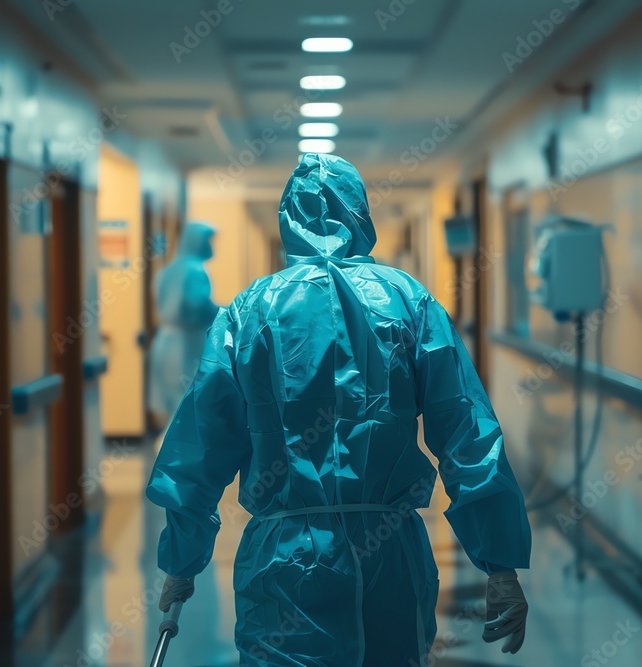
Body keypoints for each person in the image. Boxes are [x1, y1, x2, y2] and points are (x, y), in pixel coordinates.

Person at [146, 154, 531, 665]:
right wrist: (500, 564)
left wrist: (181, 561)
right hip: (389, 553)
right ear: (359, 215)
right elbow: (466, 428)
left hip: (285, 562)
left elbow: (202, 443)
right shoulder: (407, 301)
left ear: (288, 222)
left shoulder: (249, 311)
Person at [147, 221, 219, 427]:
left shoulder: (169, 270)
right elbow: (197, 307)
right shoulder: (195, 271)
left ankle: (169, 447)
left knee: (172, 401)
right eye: (208, 241)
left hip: (166, 342)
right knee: (187, 398)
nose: (211, 247)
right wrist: (227, 313)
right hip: (187, 345)